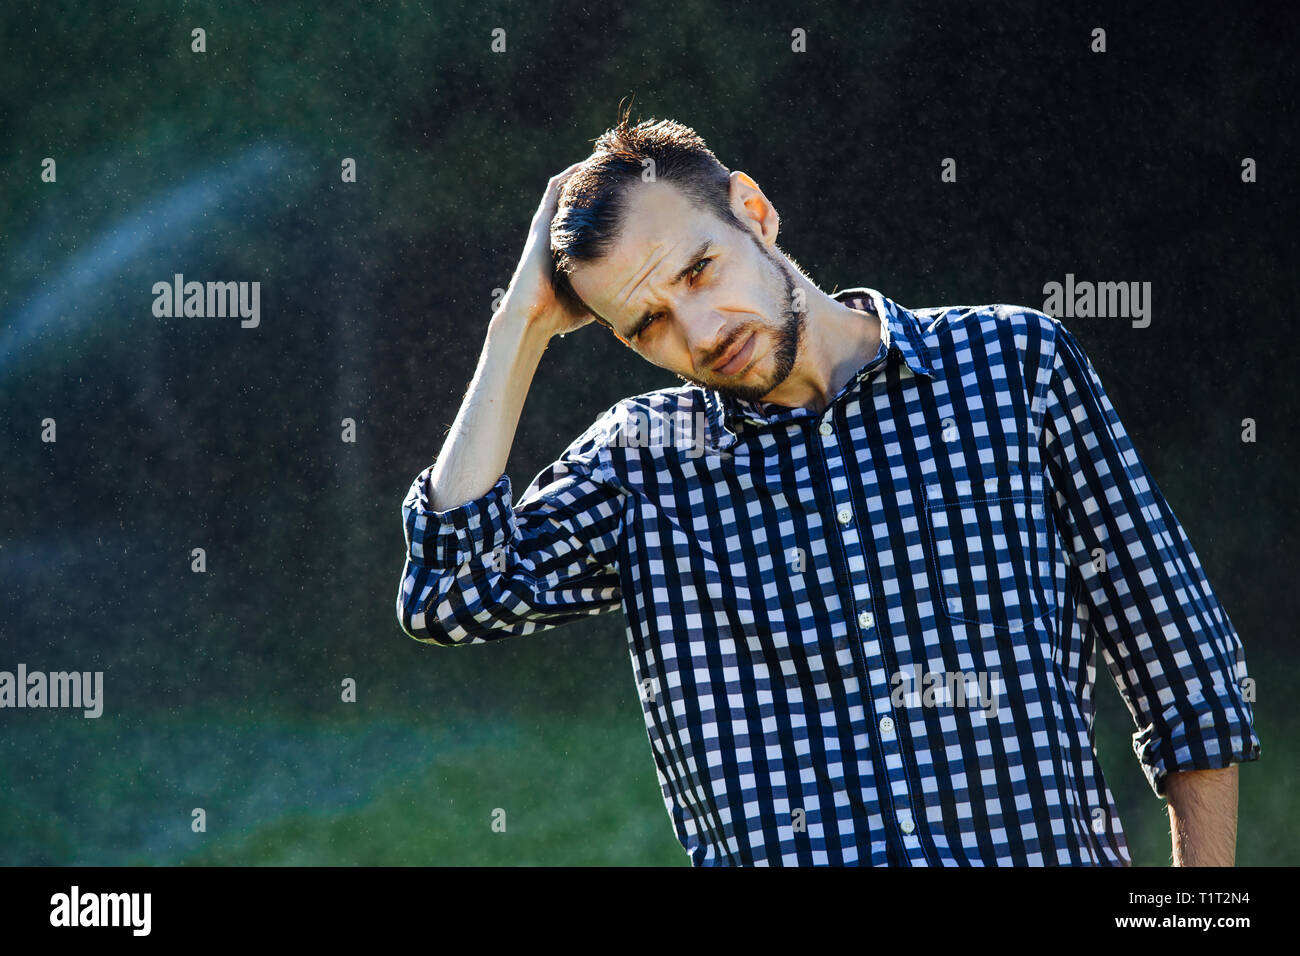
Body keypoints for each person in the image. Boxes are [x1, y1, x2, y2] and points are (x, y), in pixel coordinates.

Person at [396, 110, 1260, 866]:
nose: (700, 331)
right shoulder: (641, 462)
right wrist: (519, 326)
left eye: (698, 270)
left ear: (755, 213)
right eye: (649, 321)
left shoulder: (1014, 368)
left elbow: (1183, 668)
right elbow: (450, 592)